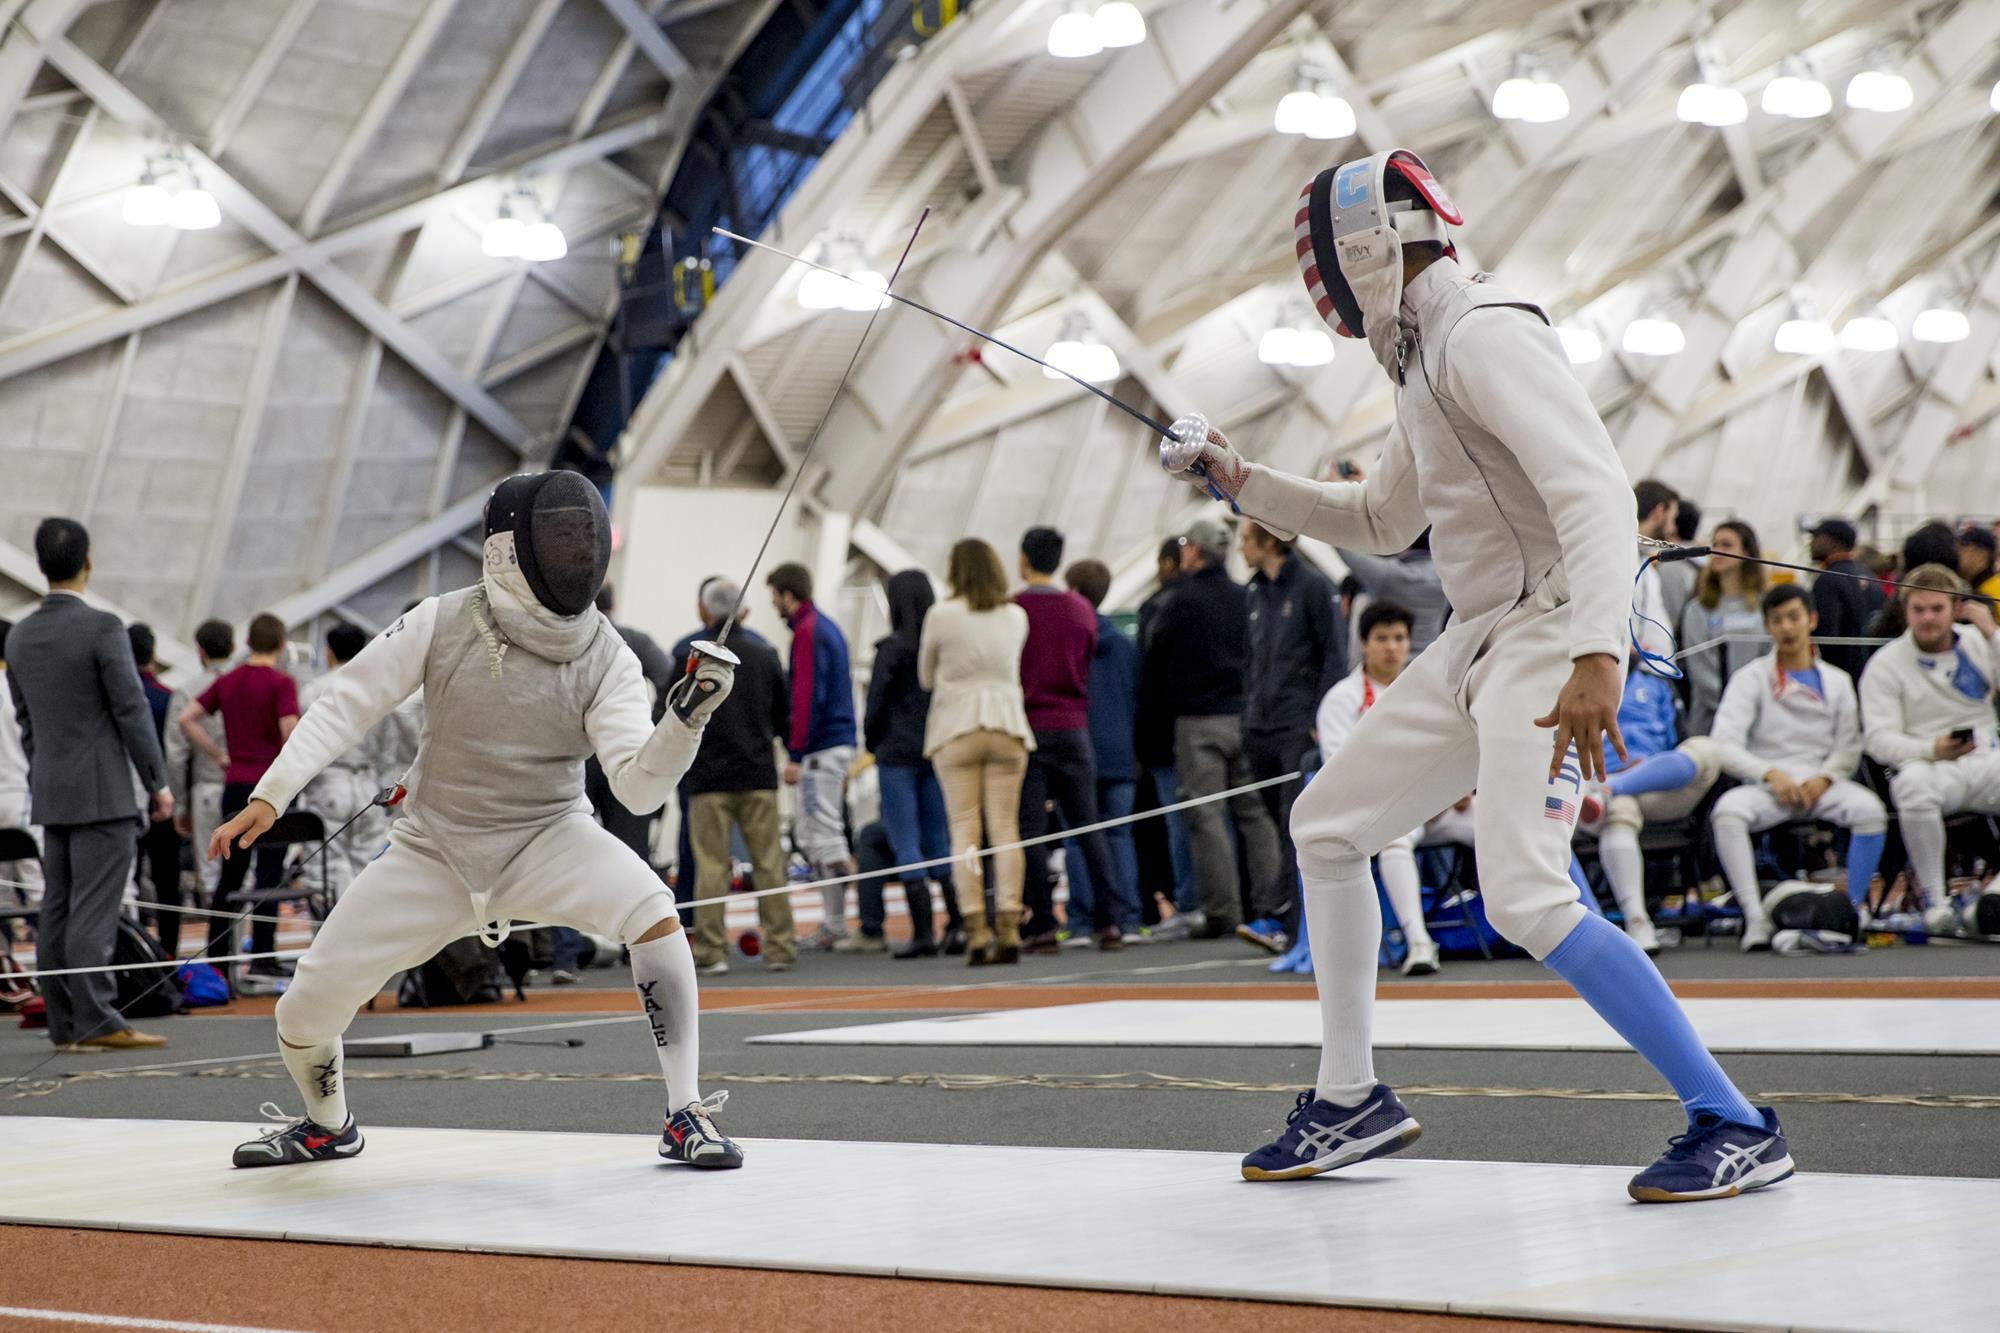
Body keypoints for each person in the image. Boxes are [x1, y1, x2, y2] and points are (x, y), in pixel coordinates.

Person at [1164, 147, 1788, 1201]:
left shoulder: (1484, 330)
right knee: (1325, 828)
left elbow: (1592, 489)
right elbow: (1380, 517)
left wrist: (1597, 650)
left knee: (1522, 893)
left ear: (1359, 248)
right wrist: (1239, 478)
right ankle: (1349, 1095)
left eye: (1322, 251)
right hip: (1478, 634)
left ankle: (1729, 1120)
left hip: (1546, 633)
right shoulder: (1416, 353)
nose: (1316, 273)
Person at [207, 471, 743, 1171]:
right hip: (433, 849)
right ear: (507, 549)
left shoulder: (608, 654)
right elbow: (349, 700)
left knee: (653, 912)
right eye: (559, 536)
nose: (574, 551)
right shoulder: (442, 619)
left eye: (580, 537)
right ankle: (327, 1124)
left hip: (549, 836)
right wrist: (271, 793)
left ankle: (685, 1110)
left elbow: (638, 788)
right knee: (302, 1008)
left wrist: (685, 718)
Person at [5, 517, 173, 1051]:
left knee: (55, 907)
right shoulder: (104, 627)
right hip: (104, 792)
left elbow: (27, 720)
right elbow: (131, 710)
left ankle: (65, 1023)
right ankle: (99, 1020)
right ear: (89, 561)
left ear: (38, 565)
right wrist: (158, 782)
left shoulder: (22, 633)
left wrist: (46, 766)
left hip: (51, 790)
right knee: (95, 909)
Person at [1709, 585, 1886, 950]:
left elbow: (1849, 746)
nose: (1787, 628)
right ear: (1768, 626)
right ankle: (1755, 916)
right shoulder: (1750, 678)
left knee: (1871, 811)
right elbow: (1723, 744)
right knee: (1727, 813)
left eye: (1794, 617)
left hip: (1822, 783)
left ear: (1812, 620)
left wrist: (1825, 778)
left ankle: (1851, 910)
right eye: (1777, 620)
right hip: (1770, 785)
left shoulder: (1837, 681)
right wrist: (1769, 774)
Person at [1141, 516, 1284, 939]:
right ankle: (1272, 904)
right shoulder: (1247, 598)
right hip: (1246, 717)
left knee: (1206, 816)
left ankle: (1223, 910)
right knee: (1256, 815)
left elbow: (1154, 667)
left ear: (1194, 552)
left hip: (1197, 723)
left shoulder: (1175, 603)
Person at [1859, 564, 2000, 929]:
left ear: (1955, 608)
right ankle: (1934, 902)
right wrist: (1931, 749)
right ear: (1905, 610)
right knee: (1911, 787)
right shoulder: (1885, 664)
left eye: (1937, 609)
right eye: (1919, 609)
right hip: (1930, 767)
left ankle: (1992, 900)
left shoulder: (1978, 641)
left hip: (1987, 760)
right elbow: (1877, 739)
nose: (1928, 618)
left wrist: (1992, 634)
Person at [920, 539, 1032, 965]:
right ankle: (1008, 924)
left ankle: (976, 930)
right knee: (1006, 829)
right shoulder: (1015, 615)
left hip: (956, 726)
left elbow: (926, 677)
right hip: (1008, 724)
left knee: (965, 831)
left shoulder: (942, 615)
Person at [1013, 526, 1125, 952]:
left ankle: (1042, 924)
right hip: (1074, 726)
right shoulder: (1080, 610)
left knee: (1033, 831)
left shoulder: (1015, 609)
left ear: (1024, 558)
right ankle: (1110, 922)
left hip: (1030, 728)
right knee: (1088, 825)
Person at [1314, 602, 1440, 975]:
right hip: (1386, 812)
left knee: (1508, 818)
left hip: (1445, 807)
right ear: (1364, 644)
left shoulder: (1429, 689)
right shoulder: (1341, 700)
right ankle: (1419, 943)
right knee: (1395, 840)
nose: (1392, 647)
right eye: (1382, 638)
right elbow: (1344, 775)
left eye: (1399, 638)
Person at [681, 577, 797, 976]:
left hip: (706, 777)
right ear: (745, 611)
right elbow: (783, 715)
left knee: (711, 867)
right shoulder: (765, 655)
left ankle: (711, 952)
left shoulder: (687, 653)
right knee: (769, 863)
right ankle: (781, 947)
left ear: (703, 610)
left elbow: (670, 713)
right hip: (758, 774)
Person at [179, 612, 301, 990]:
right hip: (271, 787)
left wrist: (218, 754)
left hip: (235, 784)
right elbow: (290, 733)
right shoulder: (282, 684)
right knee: (269, 873)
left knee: (230, 875)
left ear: (247, 643)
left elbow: (188, 718)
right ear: (282, 645)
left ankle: (218, 959)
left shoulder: (228, 681)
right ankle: (263, 956)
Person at [1239, 522, 1344, 953]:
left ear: (1268, 541)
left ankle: (1289, 922)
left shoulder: (1314, 587)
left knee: (1291, 822)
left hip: (1297, 725)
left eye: (1246, 539)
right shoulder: (1252, 593)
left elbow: (1333, 655)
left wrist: (1321, 717)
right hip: (1258, 726)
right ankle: (1283, 916)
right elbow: (1250, 659)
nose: (1241, 547)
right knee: (1271, 818)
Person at [1574, 662, 1723, 955]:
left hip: (1656, 784)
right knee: (1620, 812)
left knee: (1707, 749)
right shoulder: (1575, 681)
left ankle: (1612, 789)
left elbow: (1676, 741)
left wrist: (1647, 770)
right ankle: (1637, 922)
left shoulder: (1657, 685)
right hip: (1595, 786)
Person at [861, 570, 960, 959]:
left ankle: (923, 933)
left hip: (896, 754)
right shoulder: (939, 648)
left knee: (906, 843)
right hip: (935, 750)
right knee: (939, 840)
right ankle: (958, 923)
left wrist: (874, 741)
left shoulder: (891, 648)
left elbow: (875, 707)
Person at [766, 563, 857, 949]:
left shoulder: (808, 632)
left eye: (775, 596)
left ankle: (836, 922)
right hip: (831, 744)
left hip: (820, 749)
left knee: (822, 834)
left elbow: (806, 696)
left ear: (789, 594)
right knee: (818, 832)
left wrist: (796, 753)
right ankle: (834, 920)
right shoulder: (824, 627)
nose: (774, 604)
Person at [297, 624, 413, 908]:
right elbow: (388, 747)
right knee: (368, 869)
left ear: (329, 653)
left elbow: (303, 744)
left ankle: (323, 945)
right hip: (367, 786)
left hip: (328, 786)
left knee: (322, 874)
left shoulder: (314, 689)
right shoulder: (379, 688)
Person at [1061, 558, 1143, 941]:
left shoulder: (1071, 641)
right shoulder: (1127, 646)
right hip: (1122, 752)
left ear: (1074, 592)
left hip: (1080, 749)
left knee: (1077, 838)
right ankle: (1126, 916)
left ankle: (1082, 919)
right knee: (1119, 836)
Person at [585, 582, 676, 865]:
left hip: (576, 759)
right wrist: (650, 728)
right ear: (613, 607)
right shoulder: (634, 641)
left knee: (564, 849)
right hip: (624, 756)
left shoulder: (566, 641)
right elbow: (670, 683)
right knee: (630, 855)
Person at [1135, 537, 1198, 931]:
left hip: (1165, 733)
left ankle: (1187, 902)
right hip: (1208, 722)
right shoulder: (1220, 600)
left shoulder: (1158, 607)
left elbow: (1148, 677)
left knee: (1178, 820)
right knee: (1213, 818)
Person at [165, 620, 234, 910]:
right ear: (232, 648)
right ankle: (237, 949)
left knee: (211, 873)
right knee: (242, 873)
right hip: (247, 789)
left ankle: (220, 948)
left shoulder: (187, 692)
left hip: (205, 790)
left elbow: (176, 753)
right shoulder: (244, 683)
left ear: (200, 651)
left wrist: (180, 804)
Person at [129, 624, 187, 960]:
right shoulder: (168, 697)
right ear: (153, 654)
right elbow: (178, 754)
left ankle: (132, 954)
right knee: (168, 880)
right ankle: (169, 953)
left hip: (126, 801)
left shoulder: (115, 698)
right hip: (164, 795)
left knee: (128, 879)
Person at [1677, 520, 1767, 736]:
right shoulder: (1697, 609)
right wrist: (1736, 709)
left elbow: (1770, 658)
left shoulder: (1764, 606)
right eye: (1714, 544)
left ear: (1746, 552)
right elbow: (1700, 670)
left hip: (1759, 721)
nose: (1717, 551)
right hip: (1711, 722)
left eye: (1726, 545)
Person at [1335, 529, 1446, 656]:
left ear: (1406, 546)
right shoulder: (1447, 580)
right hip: (1426, 663)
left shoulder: (1390, 577)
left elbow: (1342, 547)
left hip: (1384, 663)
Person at [1808, 519, 1885, 681]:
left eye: (1816, 537)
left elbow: (1826, 636)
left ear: (1831, 541)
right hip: (1873, 672)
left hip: (1842, 676)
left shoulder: (1828, 580)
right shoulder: (1869, 576)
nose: (1811, 543)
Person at [0, 618, 38, 911]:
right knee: (38, 887)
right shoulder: (21, 686)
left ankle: (4, 955)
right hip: (19, 792)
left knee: (1, 895)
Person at [1957, 526, 2000, 605]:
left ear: (1981, 556)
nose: (1958, 553)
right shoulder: (1978, 586)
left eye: (1962, 548)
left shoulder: (1990, 592)